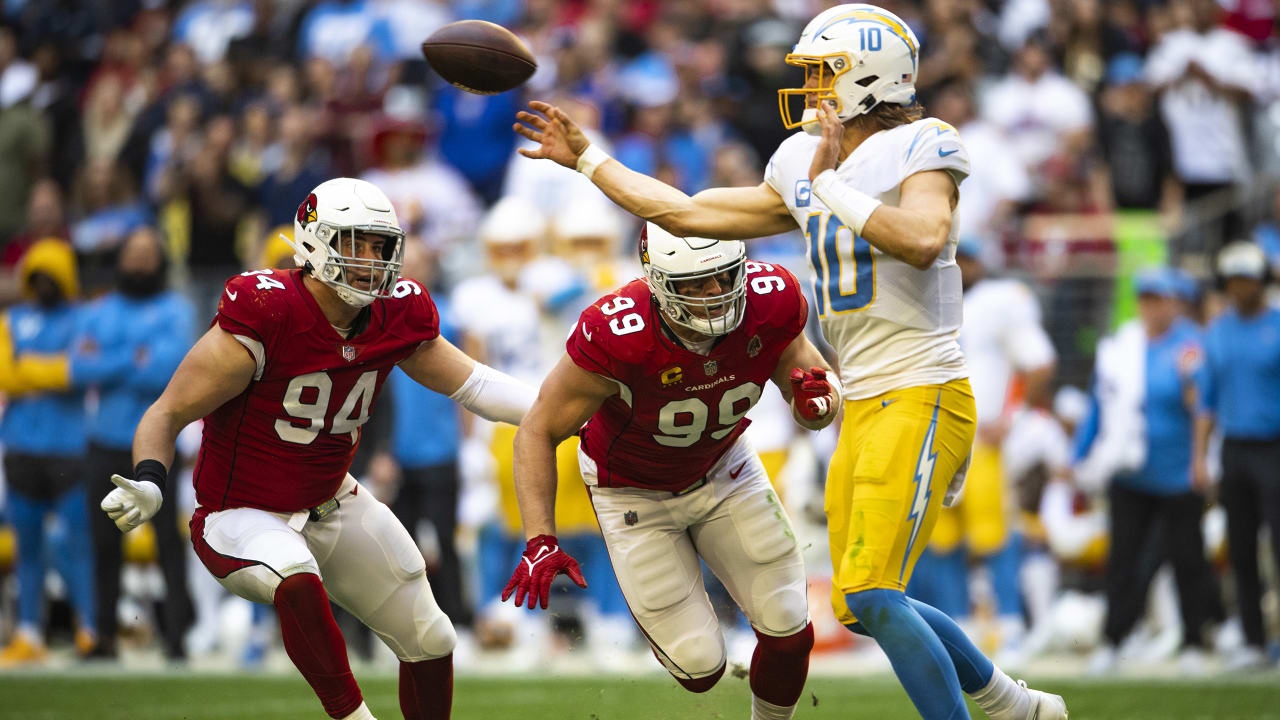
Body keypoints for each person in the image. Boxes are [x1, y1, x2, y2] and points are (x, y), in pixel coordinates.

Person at [510, 4, 1064, 719]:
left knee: (868, 592)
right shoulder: (805, 162)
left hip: (923, 383)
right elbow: (685, 215)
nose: (808, 90)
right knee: (862, 605)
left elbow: (925, 238)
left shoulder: (924, 143)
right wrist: (589, 159)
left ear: (870, 77)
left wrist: (830, 185)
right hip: (866, 397)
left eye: (822, 73)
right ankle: (1012, 704)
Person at [97, 178, 536, 720]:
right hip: (240, 514)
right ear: (314, 243)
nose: (374, 260)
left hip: (333, 501)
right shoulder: (267, 309)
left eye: (381, 245)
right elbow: (167, 412)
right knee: (292, 567)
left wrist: (572, 412)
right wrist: (149, 479)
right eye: (358, 243)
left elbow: (476, 386)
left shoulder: (395, 312)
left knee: (432, 636)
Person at [505, 224, 834, 720]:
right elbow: (536, 430)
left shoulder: (772, 300)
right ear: (657, 281)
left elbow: (814, 387)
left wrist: (817, 405)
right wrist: (540, 539)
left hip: (725, 467)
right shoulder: (618, 333)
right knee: (700, 670)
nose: (716, 295)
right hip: (633, 493)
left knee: (790, 628)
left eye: (724, 278)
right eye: (695, 285)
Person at [910, 237, 1056, 658]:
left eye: (968, 257)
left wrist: (1012, 419)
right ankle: (959, 627)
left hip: (979, 439)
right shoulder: (927, 298)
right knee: (940, 540)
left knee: (993, 535)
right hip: (933, 438)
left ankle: (1010, 626)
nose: (960, 265)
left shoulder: (1000, 300)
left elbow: (1040, 362)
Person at [1077, 268, 1224, 676]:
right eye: (1147, 298)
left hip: (1178, 473)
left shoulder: (1191, 345)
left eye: (1161, 298)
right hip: (1130, 472)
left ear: (1174, 302)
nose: (1154, 307)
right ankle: (1114, 640)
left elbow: (1202, 407)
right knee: (1122, 560)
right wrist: (1083, 454)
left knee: (1188, 560)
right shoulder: (1122, 346)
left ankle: (1195, 640)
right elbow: (1099, 403)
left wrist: (1201, 460)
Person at [71, 227, 196, 660]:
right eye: (133, 253)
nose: (140, 262)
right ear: (120, 258)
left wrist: (111, 359)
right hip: (103, 441)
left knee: (167, 541)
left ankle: (176, 638)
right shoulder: (99, 309)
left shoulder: (176, 309)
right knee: (104, 544)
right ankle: (104, 636)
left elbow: (170, 367)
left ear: (160, 260)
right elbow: (79, 369)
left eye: (148, 253)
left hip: (156, 444)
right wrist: (134, 356)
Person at [0, 238, 97, 665]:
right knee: (29, 546)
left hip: (68, 450)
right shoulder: (12, 319)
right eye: (34, 277)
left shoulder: (83, 319)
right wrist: (52, 369)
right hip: (21, 448)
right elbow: (6, 374)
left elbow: (79, 371)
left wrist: (29, 369)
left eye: (50, 276)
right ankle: (28, 633)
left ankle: (90, 627)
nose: (42, 284)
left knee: (76, 543)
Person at [1196, 241, 1280, 670]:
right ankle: (1253, 640)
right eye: (1231, 280)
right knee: (1242, 549)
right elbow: (1206, 401)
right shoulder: (1218, 332)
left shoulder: (1278, 325)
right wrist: (1200, 457)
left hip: (1274, 447)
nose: (1238, 287)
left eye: (1245, 278)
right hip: (1235, 449)